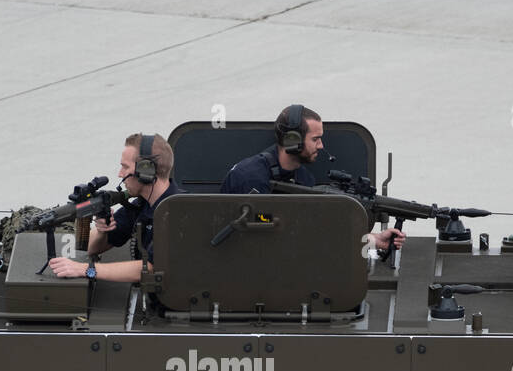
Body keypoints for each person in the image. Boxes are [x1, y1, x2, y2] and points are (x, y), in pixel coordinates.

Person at [221, 104, 404, 254]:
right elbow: (259, 221)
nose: (321, 145)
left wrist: (373, 239)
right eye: (315, 139)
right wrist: (286, 219)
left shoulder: (303, 179)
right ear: (292, 141)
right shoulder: (250, 177)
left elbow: (313, 230)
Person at [48, 133, 179, 282]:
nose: (120, 174)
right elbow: (89, 248)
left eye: (125, 167)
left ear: (146, 171)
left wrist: (85, 269)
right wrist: (102, 232)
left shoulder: (179, 211)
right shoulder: (142, 206)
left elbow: (150, 268)